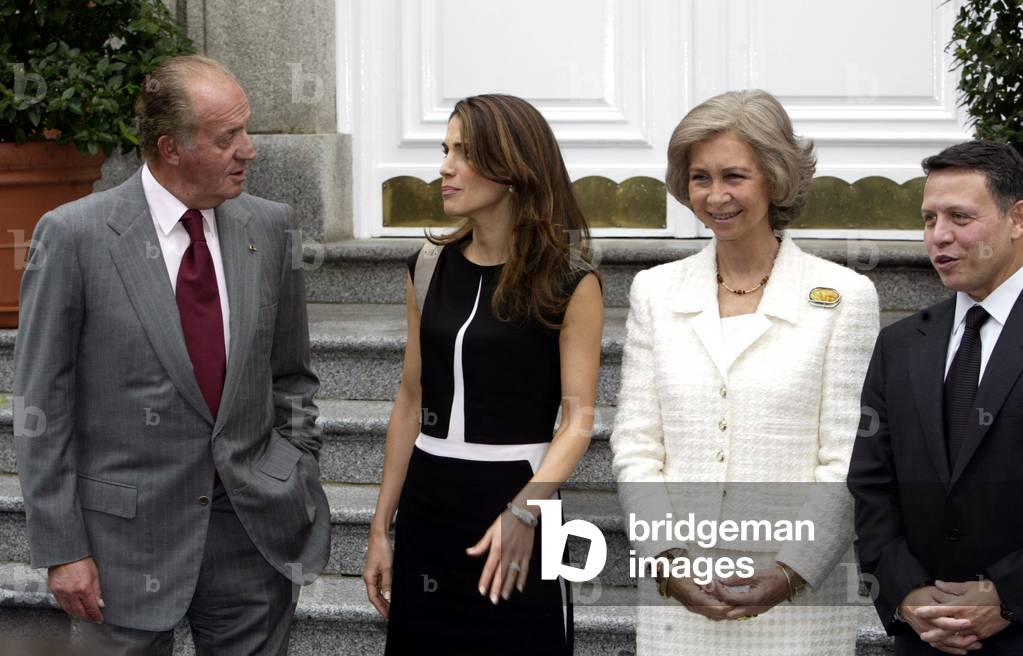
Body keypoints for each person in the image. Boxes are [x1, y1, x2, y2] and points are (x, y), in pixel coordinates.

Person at [13, 55, 330, 654]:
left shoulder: (272, 225)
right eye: (227, 137)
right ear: (171, 147)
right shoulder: (74, 236)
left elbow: (290, 376)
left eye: (247, 129)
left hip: (251, 537)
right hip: (119, 550)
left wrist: (293, 468)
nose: (250, 150)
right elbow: (41, 406)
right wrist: (62, 549)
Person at [610, 89, 879, 656]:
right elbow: (636, 443)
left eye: (736, 175)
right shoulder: (655, 292)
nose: (717, 195)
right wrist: (665, 562)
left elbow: (848, 456)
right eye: (700, 177)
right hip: (679, 601)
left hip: (799, 605)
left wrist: (790, 573)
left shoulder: (844, 296)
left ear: (776, 180)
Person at [362, 93, 603, 655]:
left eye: (463, 152)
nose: (444, 166)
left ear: (513, 166)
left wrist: (525, 510)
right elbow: (409, 399)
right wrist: (380, 528)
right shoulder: (426, 265)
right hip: (428, 504)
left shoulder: (570, 279)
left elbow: (580, 420)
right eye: (444, 149)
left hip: (518, 499)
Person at [848, 140, 1023, 655]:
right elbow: (871, 482)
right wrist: (906, 593)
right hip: (925, 640)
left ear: (1018, 219)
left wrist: (1008, 595)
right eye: (928, 219)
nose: (939, 236)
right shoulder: (901, 344)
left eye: (959, 217)